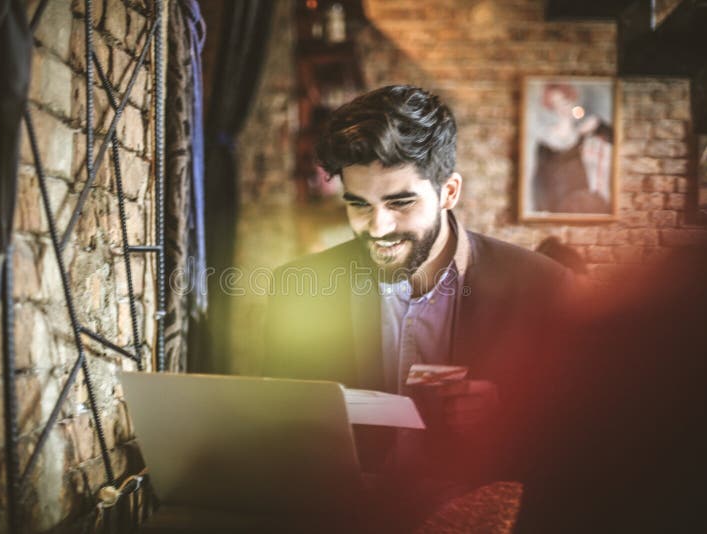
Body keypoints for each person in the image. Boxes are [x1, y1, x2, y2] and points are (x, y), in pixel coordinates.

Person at [262, 85, 568, 527]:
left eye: (400, 202)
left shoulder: (544, 288)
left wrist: (509, 418)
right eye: (358, 205)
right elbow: (275, 435)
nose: (378, 227)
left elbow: (581, 446)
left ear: (449, 191)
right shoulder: (297, 287)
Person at [532, 82, 613, 213]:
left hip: (584, 199)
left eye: (564, 101)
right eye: (555, 103)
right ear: (551, 107)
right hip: (561, 202)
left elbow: (615, 139)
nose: (562, 107)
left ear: (571, 100)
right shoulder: (548, 140)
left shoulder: (587, 129)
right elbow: (541, 183)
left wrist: (597, 126)